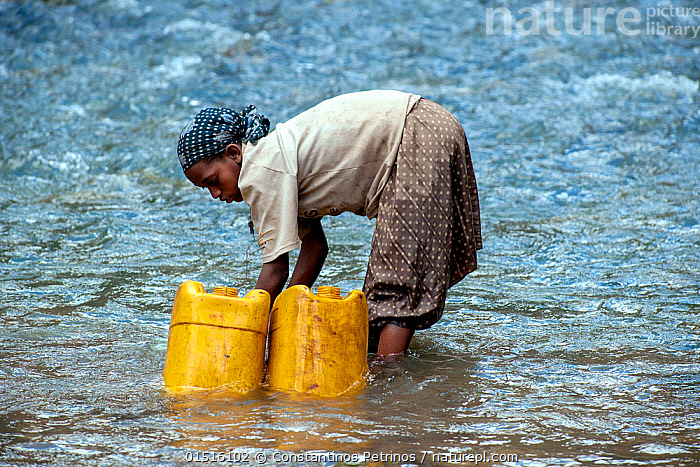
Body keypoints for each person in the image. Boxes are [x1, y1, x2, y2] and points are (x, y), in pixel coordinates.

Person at [176, 90, 482, 358]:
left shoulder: (260, 171)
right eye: (207, 190)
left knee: (394, 286)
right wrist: (286, 314)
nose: (216, 194)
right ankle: (391, 370)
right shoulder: (273, 161)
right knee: (398, 285)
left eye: (214, 181)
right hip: (426, 124)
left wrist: (245, 335)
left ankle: (390, 386)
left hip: (416, 133)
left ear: (234, 153)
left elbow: (276, 269)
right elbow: (315, 250)